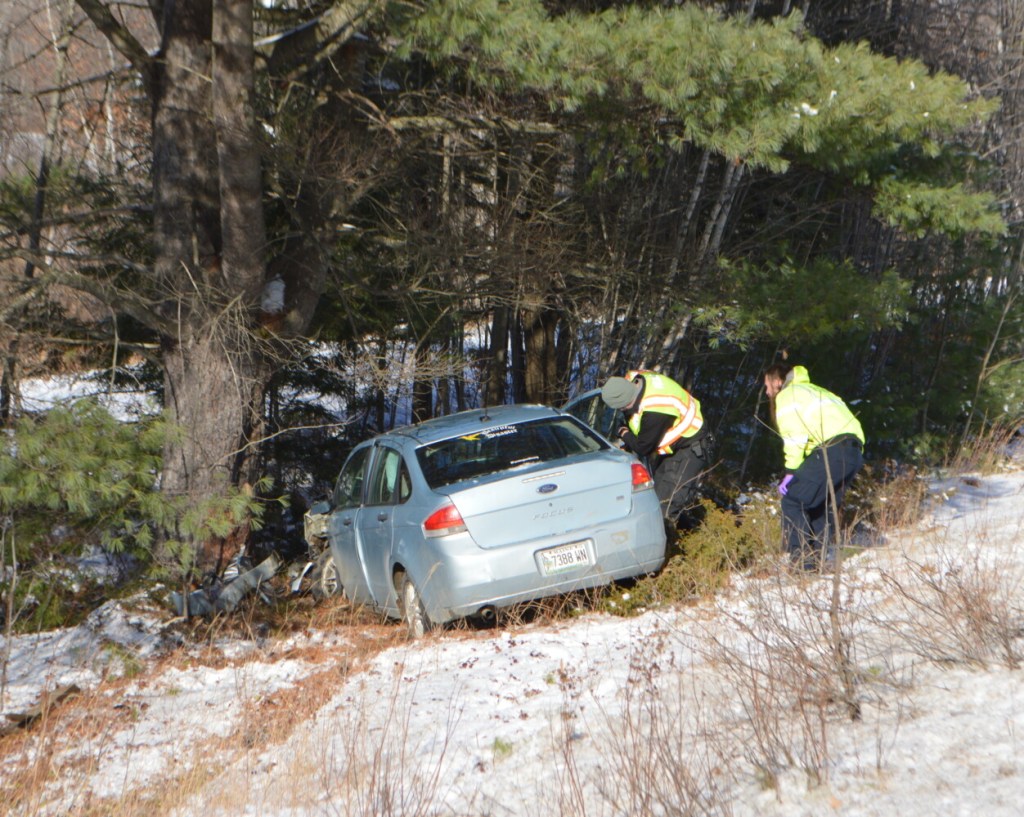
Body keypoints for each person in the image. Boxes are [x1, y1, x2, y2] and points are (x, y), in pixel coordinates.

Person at [763, 363, 865, 570]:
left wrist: (791, 472)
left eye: (767, 385)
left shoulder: (788, 395)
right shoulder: (816, 390)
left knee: (793, 501)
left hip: (831, 449)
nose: (767, 392)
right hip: (853, 452)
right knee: (820, 506)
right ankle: (816, 563)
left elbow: (794, 436)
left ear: (778, 382)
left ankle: (802, 563)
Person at [600, 369, 711, 528]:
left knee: (665, 506)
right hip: (674, 446)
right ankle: (684, 534)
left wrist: (624, 433)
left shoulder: (656, 410)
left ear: (625, 404)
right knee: (654, 498)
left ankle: (670, 546)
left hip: (691, 447)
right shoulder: (634, 379)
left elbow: (643, 446)